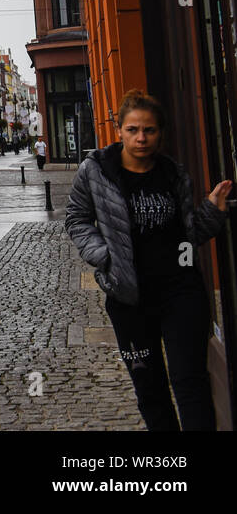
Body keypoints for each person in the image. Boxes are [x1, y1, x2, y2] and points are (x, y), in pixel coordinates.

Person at [67, 89, 230, 430]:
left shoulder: (173, 173)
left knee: (191, 384)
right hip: (129, 300)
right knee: (150, 389)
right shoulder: (96, 171)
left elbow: (189, 233)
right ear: (119, 130)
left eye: (150, 130)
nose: (141, 138)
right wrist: (103, 256)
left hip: (181, 293)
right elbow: (77, 219)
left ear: (160, 132)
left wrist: (212, 210)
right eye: (133, 130)